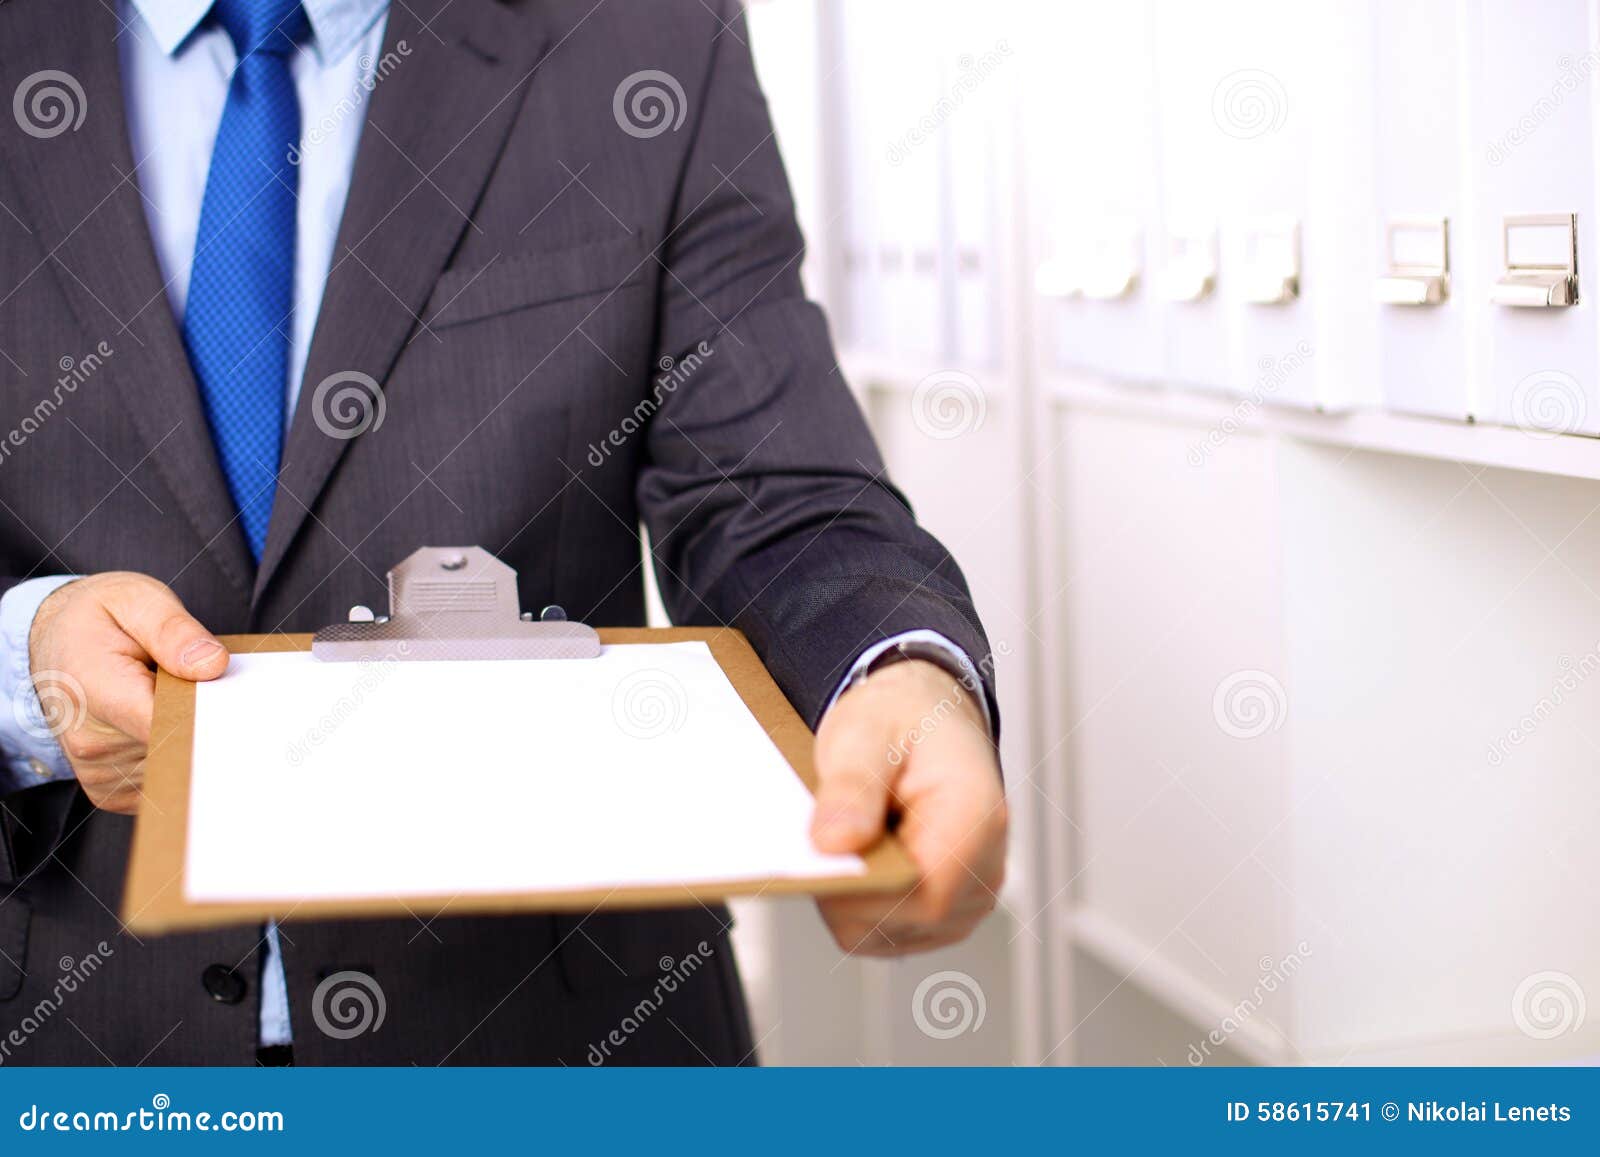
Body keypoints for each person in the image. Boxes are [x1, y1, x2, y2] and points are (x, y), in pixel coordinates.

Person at [0, 0, 1006, 1064]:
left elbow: (771, 489)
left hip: (560, 1040)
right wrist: (23, 672)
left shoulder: (642, 39)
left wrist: (896, 670)